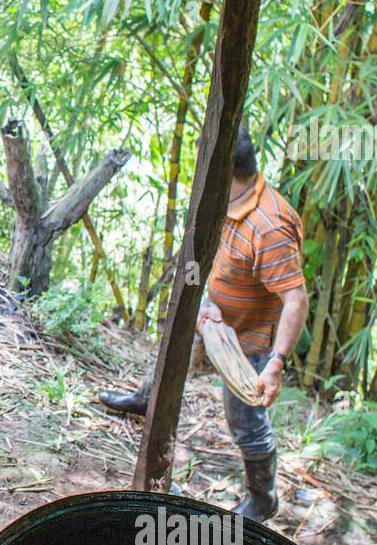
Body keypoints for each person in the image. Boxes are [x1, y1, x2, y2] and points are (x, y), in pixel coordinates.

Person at [97, 126, 308, 521]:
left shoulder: (271, 225)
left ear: (221, 164)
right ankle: (148, 398)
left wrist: (276, 365)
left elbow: (295, 299)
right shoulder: (221, 196)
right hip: (214, 310)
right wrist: (199, 295)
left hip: (250, 340)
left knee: (245, 417)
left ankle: (264, 498)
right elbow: (201, 254)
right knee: (172, 348)